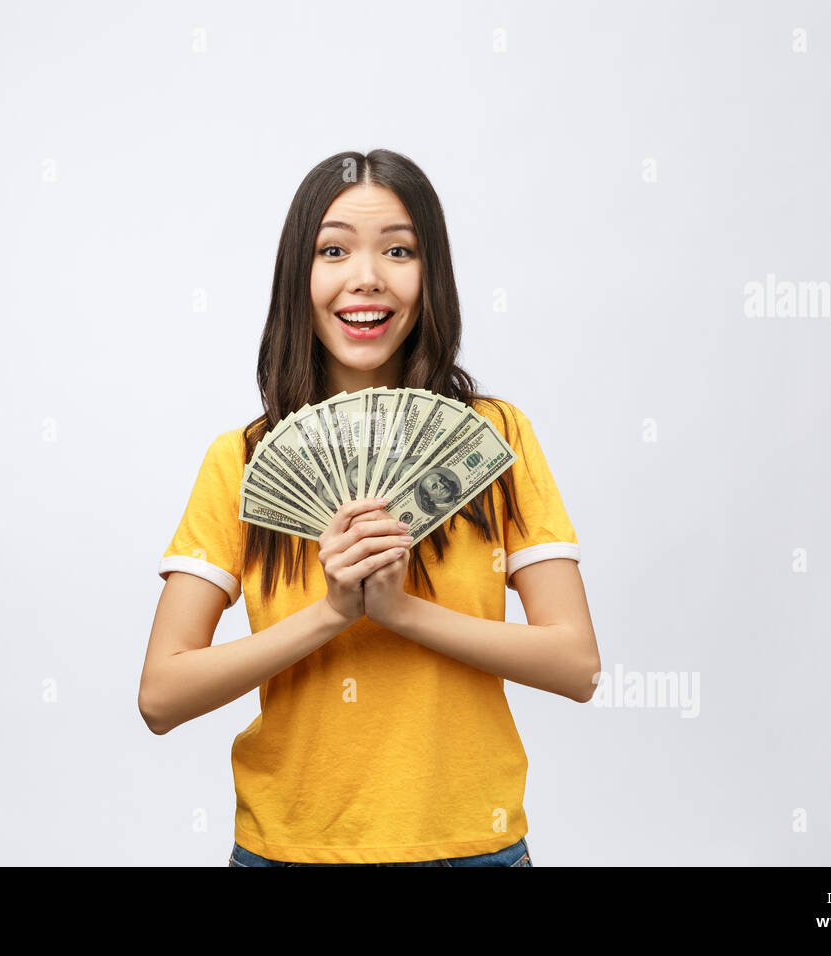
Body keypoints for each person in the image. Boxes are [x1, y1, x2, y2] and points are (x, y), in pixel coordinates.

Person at [140, 149, 600, 866]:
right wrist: (333, 612)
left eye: (398, 250)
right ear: (298, 278)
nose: (367, 277)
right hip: (288, 850)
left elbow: (576, 665)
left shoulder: (498, 438)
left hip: (471, 848)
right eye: (333, 250)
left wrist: (399, 611)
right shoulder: (242, 458)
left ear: (431, 276)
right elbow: (162, 696)